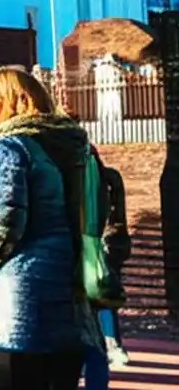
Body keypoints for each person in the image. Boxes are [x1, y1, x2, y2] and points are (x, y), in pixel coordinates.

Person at [0, 68, 96, 390]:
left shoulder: (11, 146)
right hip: (70, 298)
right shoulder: (73, 147)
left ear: (15, 103)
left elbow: (6, 224)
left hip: (20, 305)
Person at [83, 154, 131, 389]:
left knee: (97, 298)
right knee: (103, 295)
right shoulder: (111, 176)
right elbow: (118, 216)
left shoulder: (89, 176)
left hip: (98, 245)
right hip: (110, 243)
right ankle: (113, 344)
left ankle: (112, 343)